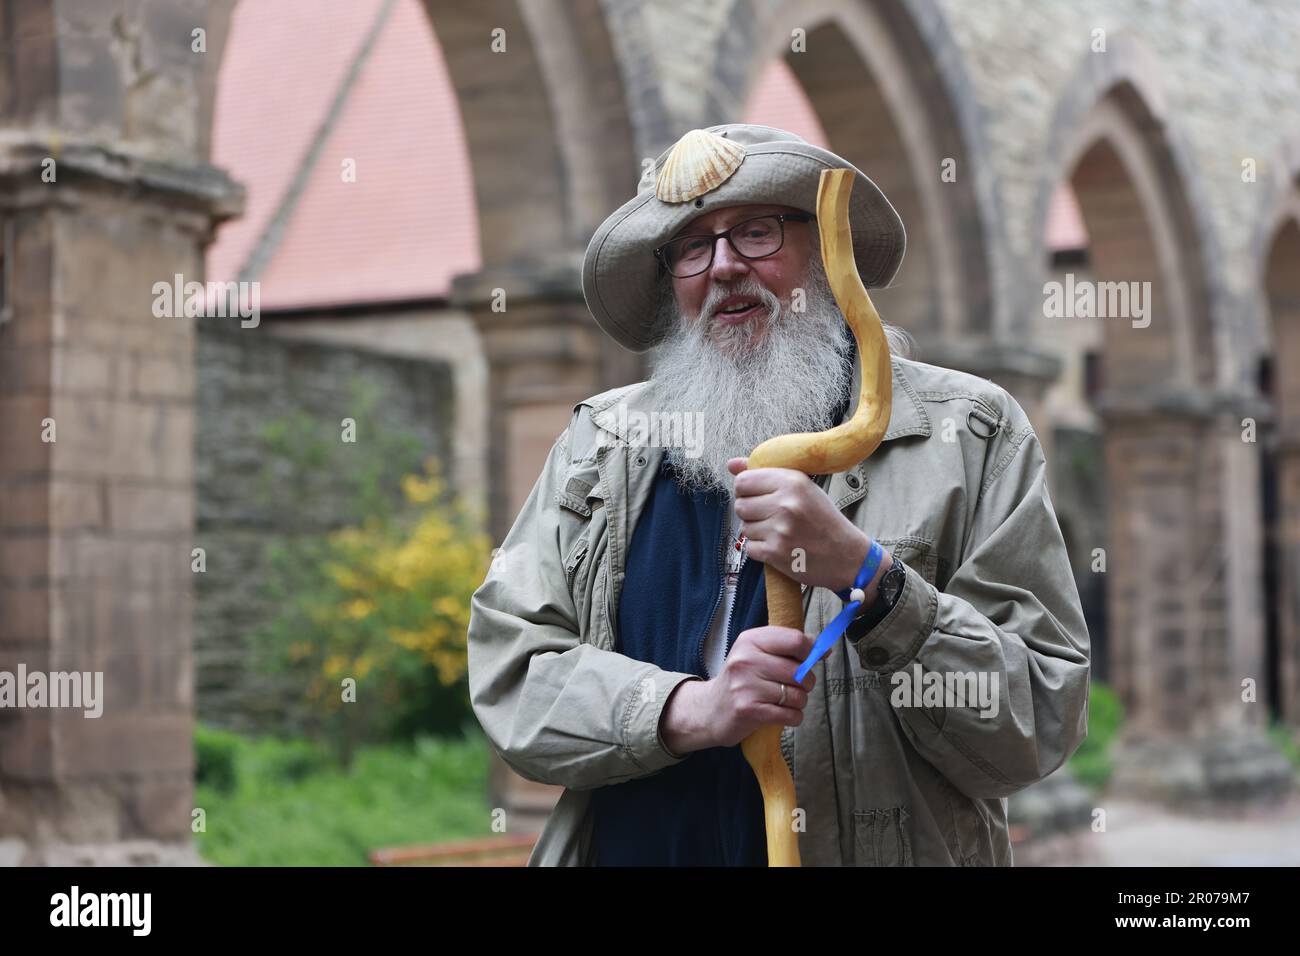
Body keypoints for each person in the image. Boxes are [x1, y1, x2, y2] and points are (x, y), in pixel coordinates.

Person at [467, 124, 1090, 865]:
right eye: (692, 248)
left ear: (827, 253)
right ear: (671, 280)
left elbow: (1038, 720)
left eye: (757, 233)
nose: (725, 266)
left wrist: (874, 582)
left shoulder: (971, 433)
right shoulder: (599, 444)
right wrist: (689, 709)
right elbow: (513, 672)